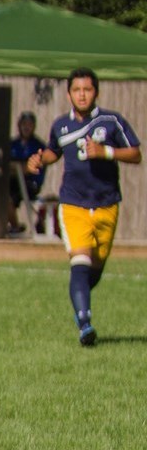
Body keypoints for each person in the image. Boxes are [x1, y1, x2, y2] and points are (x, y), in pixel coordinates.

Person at [27, 67, 141, 346]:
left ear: (96, 92)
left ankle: (80, 302)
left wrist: (107, 151)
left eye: (87, 89)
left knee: (94, 270)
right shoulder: (60, 125)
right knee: (80, 262)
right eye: (76, 90)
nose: (81, 95)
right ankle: (85, 323)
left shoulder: (111, 121)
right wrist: (40, 159)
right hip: (73, 204)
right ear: (68, 93)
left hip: (106, 205)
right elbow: (54, 150)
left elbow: (136, 153)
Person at [7, 111, 46, 234]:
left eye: (29, 124)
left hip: (31, 183)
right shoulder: (12, 144)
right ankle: (14, 225)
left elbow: (30, 168)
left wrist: (19, 168)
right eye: (24, 124)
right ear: (19, 125)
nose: (26, 127)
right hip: (13, 181)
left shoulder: (38, 146)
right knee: (1, 194)